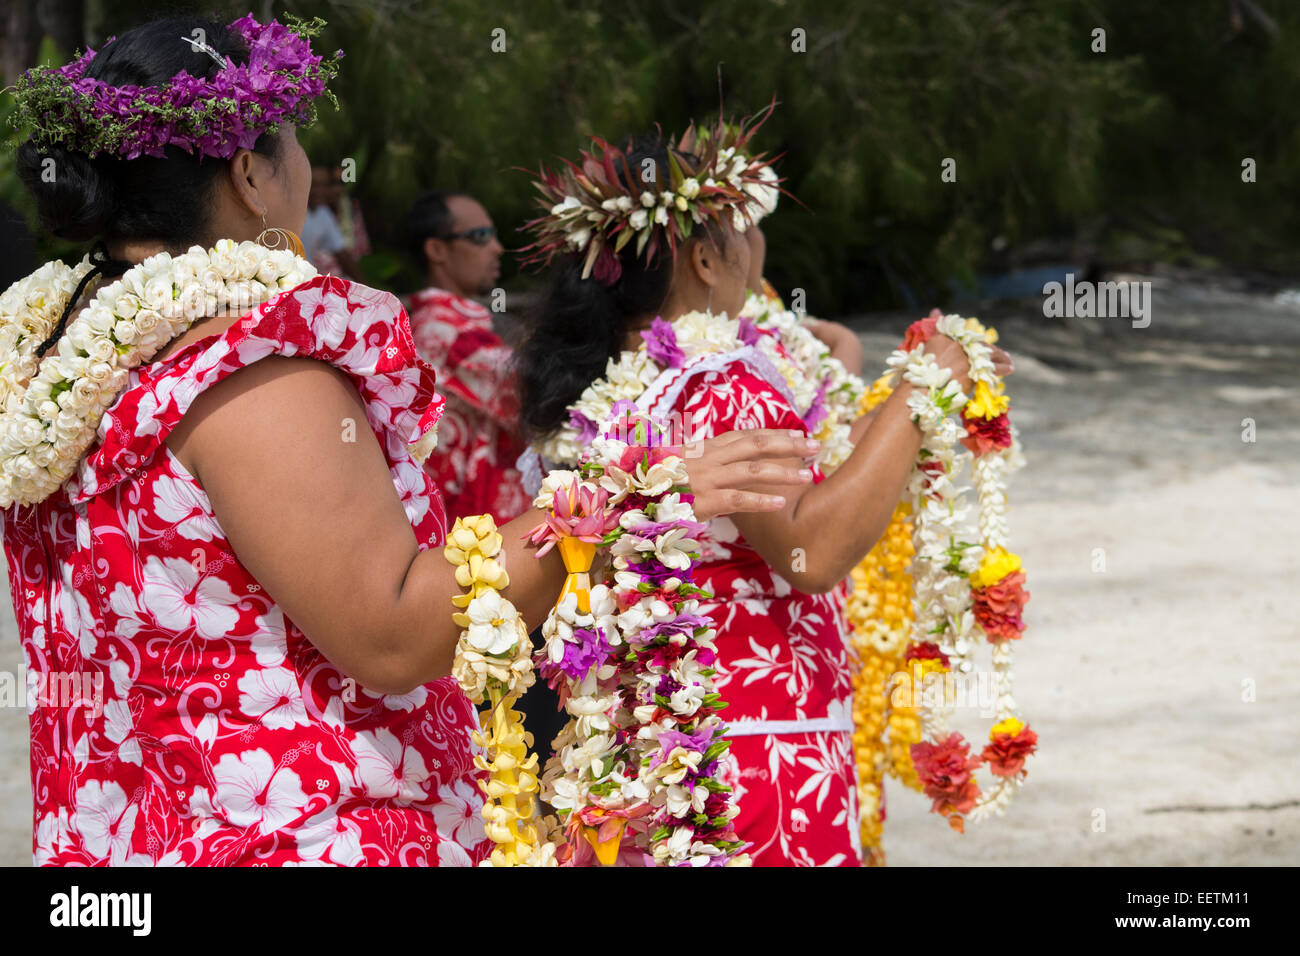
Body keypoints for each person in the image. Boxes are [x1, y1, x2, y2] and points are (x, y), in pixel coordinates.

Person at [0, 15, 816, 866]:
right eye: (296, 144)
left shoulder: (62, 367)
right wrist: (634, 501)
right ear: (249, 173)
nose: (310, 173)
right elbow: (392, 629)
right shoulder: (250, 371)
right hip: (299, 837)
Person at [515, 118, 1014, 866]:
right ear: (707, 258)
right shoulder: (722, 380)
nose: (758, 248)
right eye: (743, 231)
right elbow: (811, 549)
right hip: (749, 748)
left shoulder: (613, 388)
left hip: (645, 750)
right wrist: (925, 386)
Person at [402, 190, 527, 523]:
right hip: (472, 533)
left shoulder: (438, 324)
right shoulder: (446, 333)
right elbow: (539, 391)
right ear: (437, 250)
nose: (497, 248)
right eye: (481, 237)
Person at [302, 163, 366, 280]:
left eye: (324, 185)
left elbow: (342, 254)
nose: (319, 190)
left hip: (305, 279)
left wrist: (365, 288)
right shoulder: (295, 209)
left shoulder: (323, 212)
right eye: (314, 184)